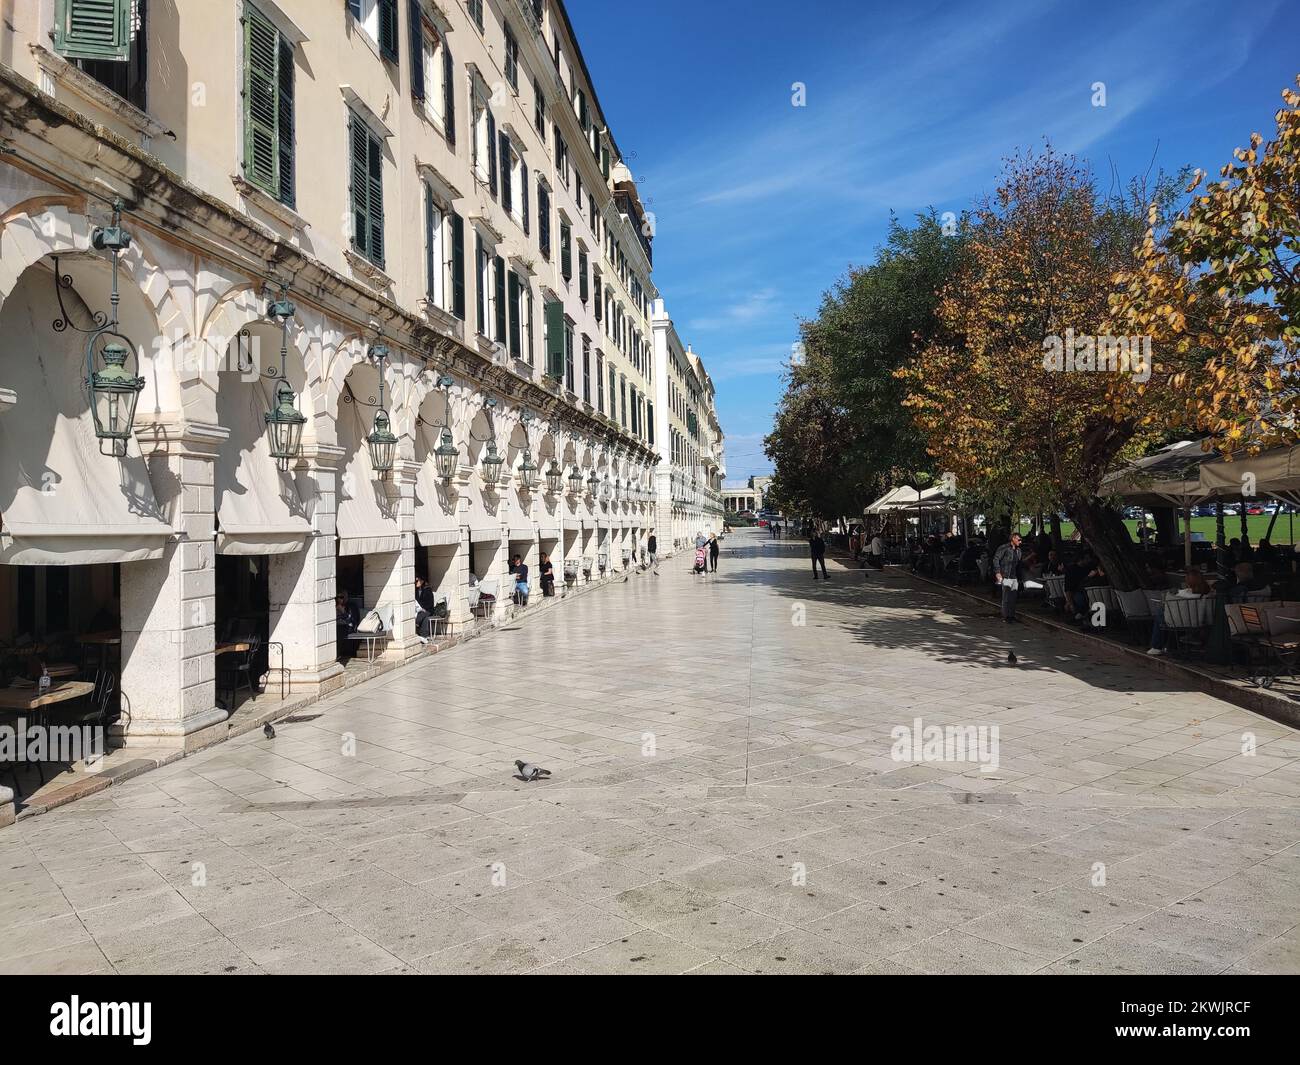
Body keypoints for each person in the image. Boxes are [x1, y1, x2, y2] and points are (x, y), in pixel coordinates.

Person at [1148, 567, 1211, 655]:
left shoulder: (1181, 594)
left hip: (1178, 621)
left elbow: (1169, 599)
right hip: (1198, 621)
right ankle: (1167, 645)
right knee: (1163, 614)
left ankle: (1156, 646)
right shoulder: (1206, 594)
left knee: (1160, 614)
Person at [992, 532, 1023, 622]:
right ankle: (1006, 616)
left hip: (1014, 576)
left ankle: (1011, 615)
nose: (1020, 542)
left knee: (1013, 596)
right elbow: (996, 559)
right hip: (1006, 575)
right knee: (1006, 596)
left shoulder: (1018, 551)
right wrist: (998, 572)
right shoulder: (1004, 548)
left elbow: (1019, 564)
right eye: (1019, 539)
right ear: (1013, 538)